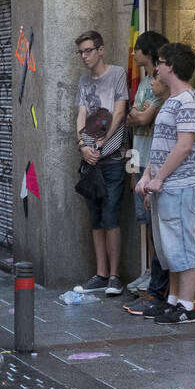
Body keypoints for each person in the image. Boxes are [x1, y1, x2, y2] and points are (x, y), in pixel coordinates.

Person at [136, 43, 195, 324]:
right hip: (166, 185)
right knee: (170, 249)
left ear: (171, 67)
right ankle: (174, 300)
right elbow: (161, 146)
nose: (157, 67)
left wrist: (159, 178)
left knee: (182, 246)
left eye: (160, 62)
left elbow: (184, 146)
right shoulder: (172, 100)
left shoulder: (188, 101)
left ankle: (187, 307)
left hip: (181, 184)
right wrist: (147, 176)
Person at [73, 29, 129, 296]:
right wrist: (84, 145)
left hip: (114, 158)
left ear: (100, 49)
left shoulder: (117, 74)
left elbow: (120, 111)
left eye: (88, 50)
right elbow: (80, 116)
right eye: (81, 52)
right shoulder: (84, 82)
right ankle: (101, 273)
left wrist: (101, 144)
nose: (84, 56)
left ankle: (115, 276)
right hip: (91, 161)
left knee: (111, 216)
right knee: (95, 218)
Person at [123, 32, 172, 312]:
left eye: (137, 49)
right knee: (145, 218)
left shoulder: (159, 87)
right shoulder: (144, 84)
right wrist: (135, 115)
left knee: (156, 221)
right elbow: (133, 116)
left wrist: (137, 115)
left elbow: (141, 117)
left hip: (154, 157)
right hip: (139, 155)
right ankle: (150, 270)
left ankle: (158, 279)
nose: (133, 53)